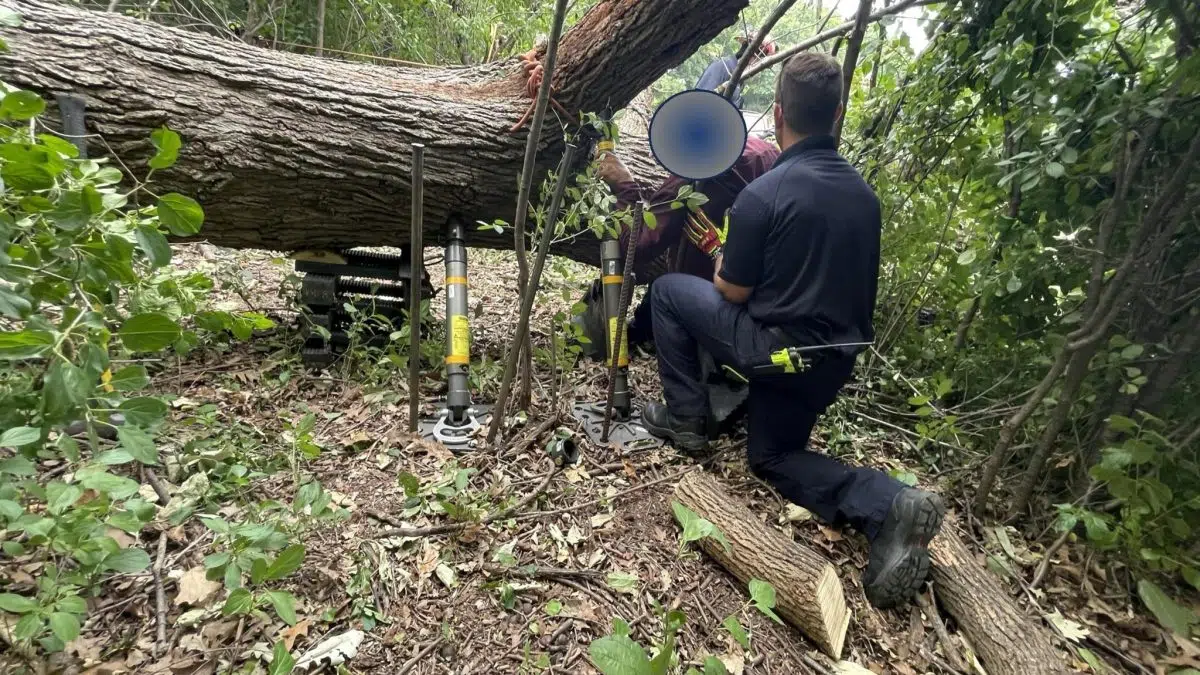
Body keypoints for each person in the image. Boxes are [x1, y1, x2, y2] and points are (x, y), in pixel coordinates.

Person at [641, 51, 946, 610]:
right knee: (772, 456)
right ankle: (888, 504)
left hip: (775, 354)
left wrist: (724, 258)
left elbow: (732, 293)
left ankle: (687, 421)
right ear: (835, 117)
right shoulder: (864, 197)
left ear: (777, 112)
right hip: (831, 365)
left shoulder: (765, 194)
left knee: (666, 293)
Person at [574, 135, 778, 353]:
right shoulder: (766, 152)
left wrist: (624, 187)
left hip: (725, 299)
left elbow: (638, 245)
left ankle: (682, 384)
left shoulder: (693, 172)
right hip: (775, 299)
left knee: (664, 289)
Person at [695, 33, 777, 110]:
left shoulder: (740, 80)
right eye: (761, 65)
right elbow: (699, 103)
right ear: (753, 56)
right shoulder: (722, 67)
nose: (760, 70)